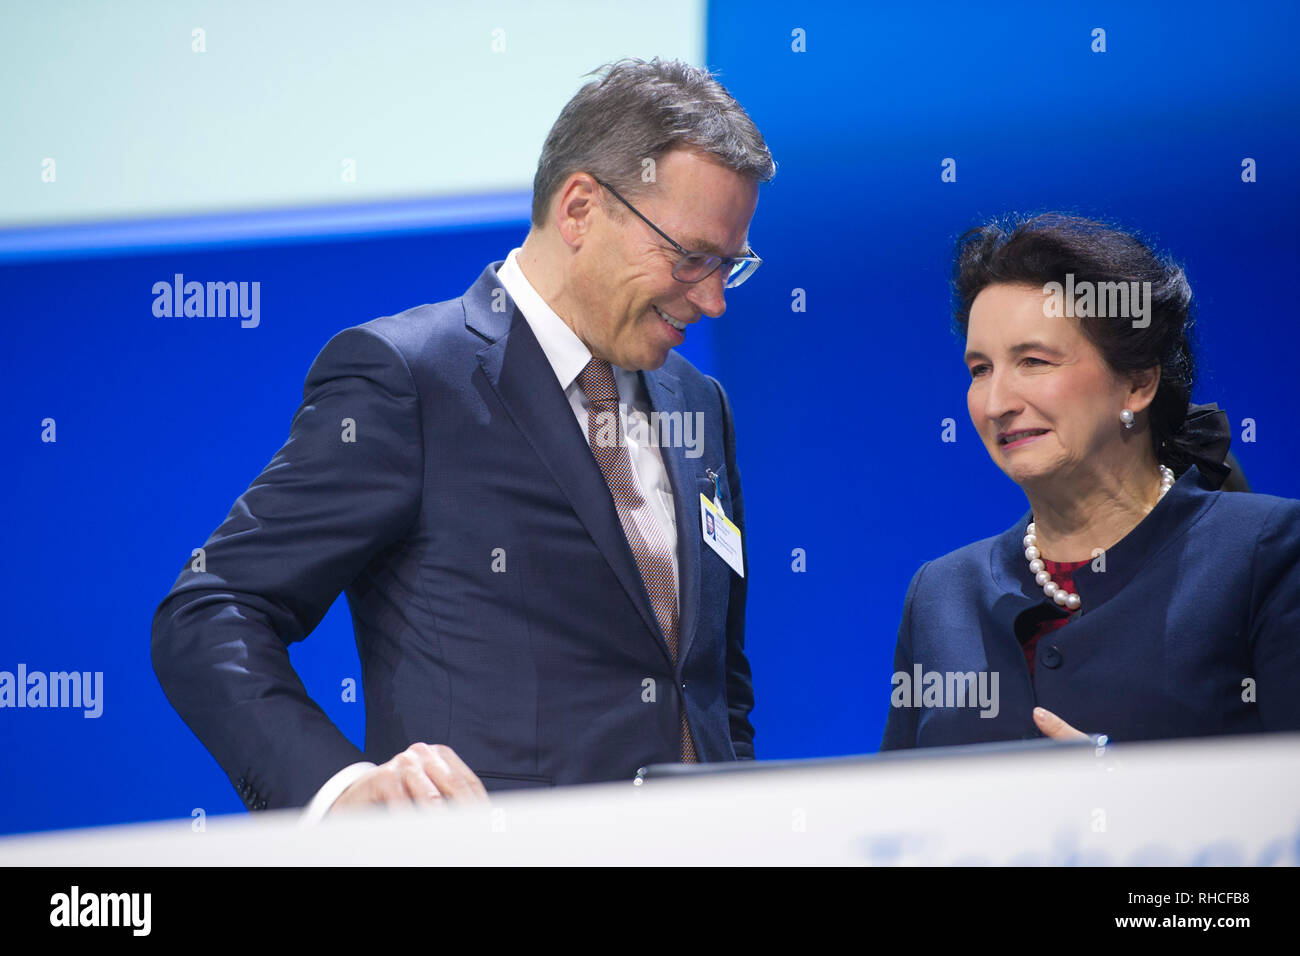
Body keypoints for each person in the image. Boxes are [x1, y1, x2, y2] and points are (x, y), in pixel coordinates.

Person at [151, 57, 775, 818]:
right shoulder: (408, 379)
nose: (712, 299)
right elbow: (210, 610)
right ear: (579, 208)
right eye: (689, 258)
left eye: (729, 267)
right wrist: (341, 792)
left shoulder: (700, 405)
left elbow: (712, 684)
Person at [881, 213, 1300, 750]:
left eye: (1033, 361)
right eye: (980, 369)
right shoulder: (940, 595)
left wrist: (1118, 800)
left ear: (1137, 383)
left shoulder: (1264, 554)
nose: (996, 403)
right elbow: (897, 812)